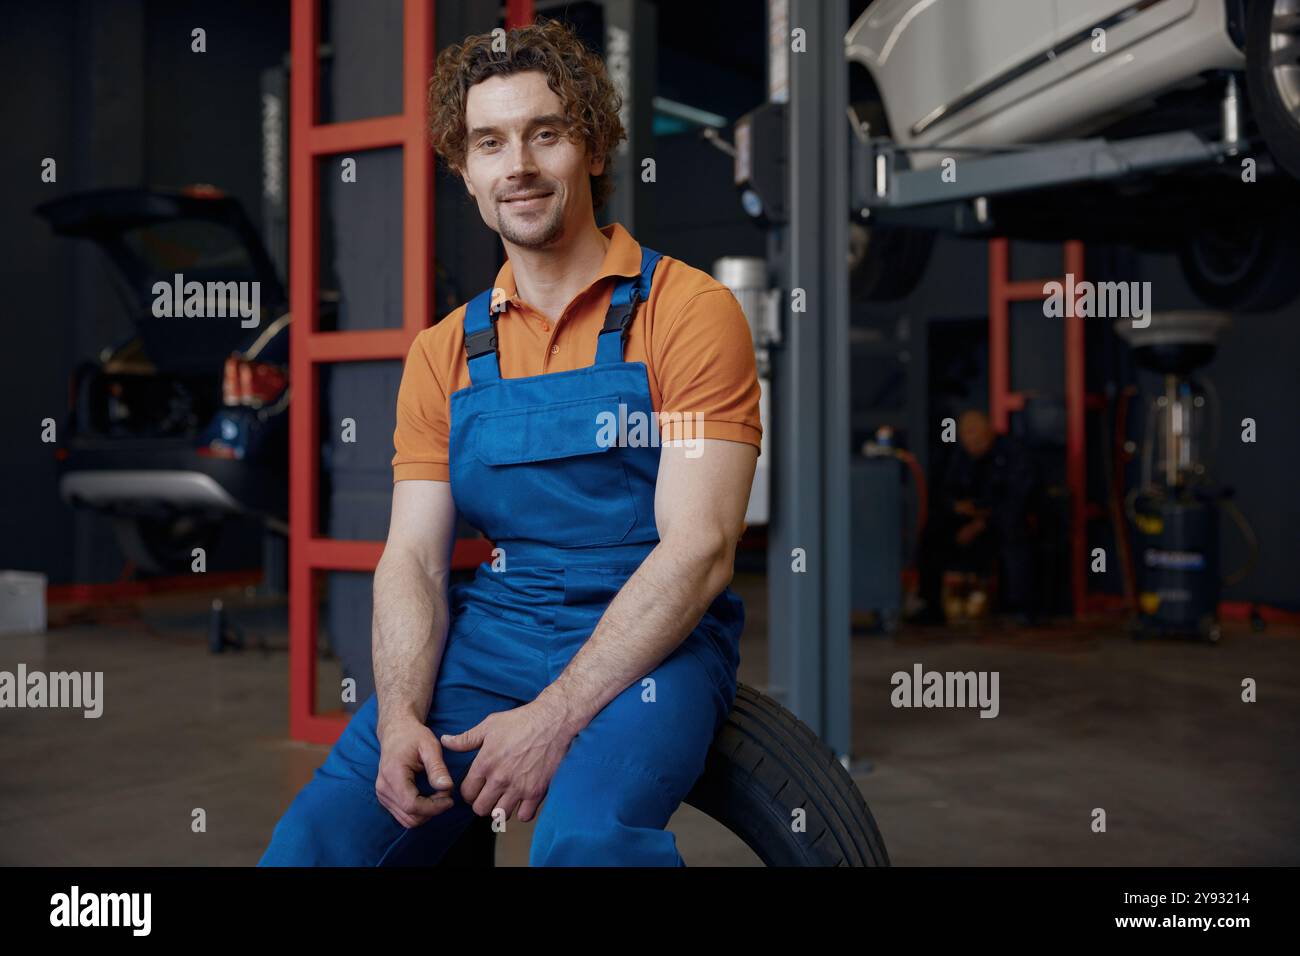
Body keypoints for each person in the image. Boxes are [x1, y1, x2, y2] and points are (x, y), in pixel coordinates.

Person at [258, 19, 761, 866]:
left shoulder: (688, 311)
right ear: (464, 173)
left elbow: (701, 549)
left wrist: (557, 714)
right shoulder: (444, 351)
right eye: (489, 143)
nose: (518, 166)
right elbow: (414, 558)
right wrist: (400, 718)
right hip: (497, 626)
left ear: (594, 150)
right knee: (315, 844)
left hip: (656, 642)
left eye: (545, 134)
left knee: (582, 844)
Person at [915, 410, 1040, 625]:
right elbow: (946, 491)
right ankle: (931, 605)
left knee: (1013, 530)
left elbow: (1018, 499)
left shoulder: (1013, 452)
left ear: (989, 432)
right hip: (971, 521)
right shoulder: (959, 455)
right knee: (933, 531)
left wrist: (980, 524)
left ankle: (1020, 607)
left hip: (1001, 521)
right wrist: (956, 507)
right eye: (967, 438)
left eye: (977, 437)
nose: (973, 443)